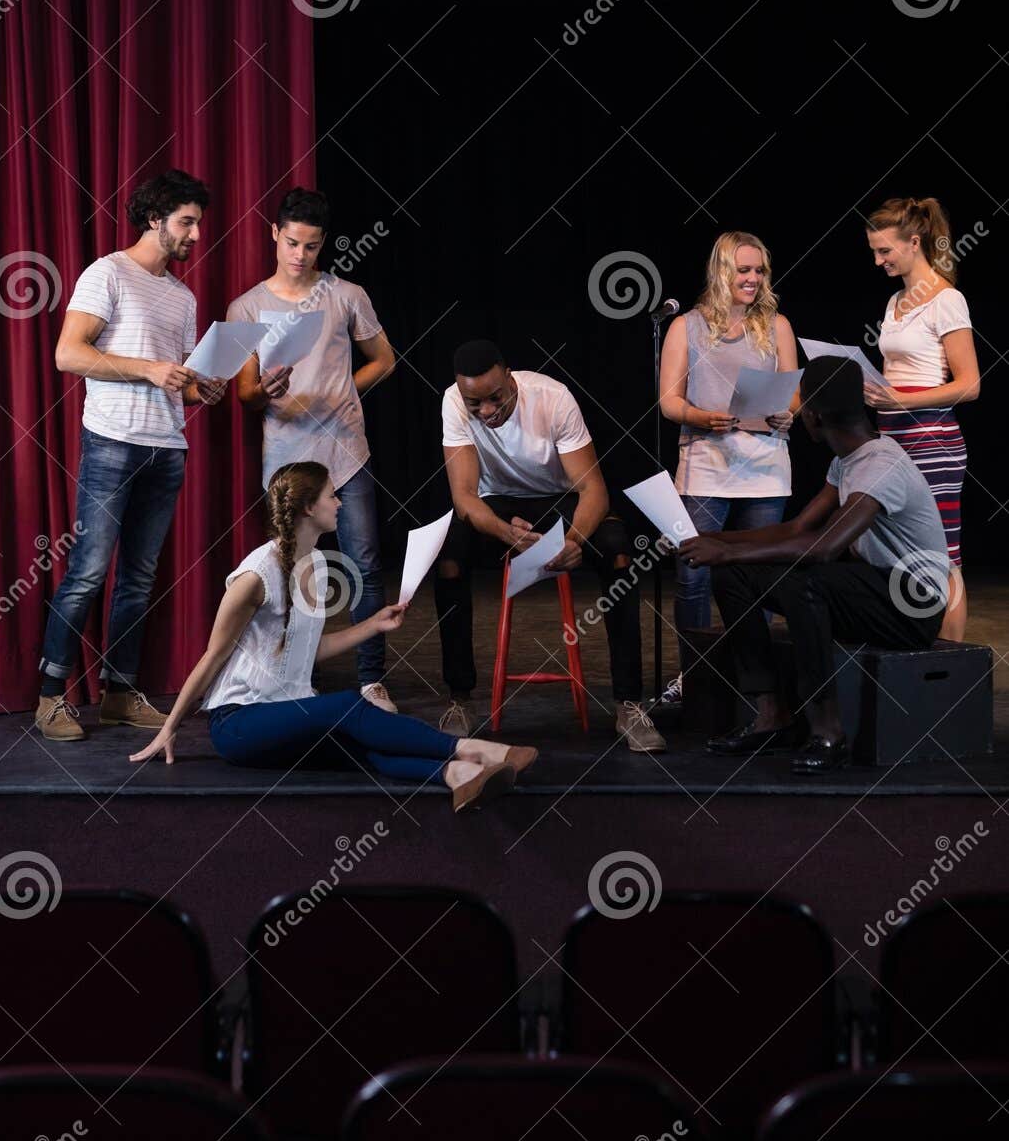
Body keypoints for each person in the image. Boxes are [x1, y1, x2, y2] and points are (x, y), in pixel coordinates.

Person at [128, 463, 537, 812]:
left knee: (361, 746)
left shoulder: (319, 567)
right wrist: (170, 727)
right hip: (238, 723)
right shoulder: (255, 576)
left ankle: (456, 775)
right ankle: (474, 749)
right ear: (310, 508)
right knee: (349, 704)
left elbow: (311, 651)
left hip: (288, 714)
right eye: (331, 495)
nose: (340, 502)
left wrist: (373, 625)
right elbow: (212, 658)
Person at [679, 357, 951, 773]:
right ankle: (771, 715)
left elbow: (824, 547)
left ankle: (828, 731)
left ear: (812, 416)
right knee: (732, 575)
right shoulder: (846, 460)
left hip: (913, 606)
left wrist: (727, 550)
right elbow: (796, 528)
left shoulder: (881, 464)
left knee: (806, 581)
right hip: (876, 587)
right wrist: (713, 541)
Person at [35, 172, 226, 743]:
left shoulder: (184, 296)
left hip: (168, 448)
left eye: (198, 224)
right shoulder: (108, 273)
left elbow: (179, 381)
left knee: (139, 579)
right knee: (89, 571)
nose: (196, 235)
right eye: (187, 222)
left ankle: (119, 693)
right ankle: (49, 696)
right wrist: (149, 369)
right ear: (155, 219)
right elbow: (68, 354)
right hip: (112, 444)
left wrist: (201, 389)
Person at [433, 340, 660, 752]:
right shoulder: (453, 402)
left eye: (495, 398)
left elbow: (593, 490)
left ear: (510, 378)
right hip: (497, 502)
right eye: (475, 403)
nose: (486, 411)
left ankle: (629, 704)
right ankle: (459, 698)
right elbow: (464, 496)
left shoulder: (552, 398)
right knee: (448, 559)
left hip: (559, 498)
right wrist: (506, 533)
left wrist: (573, 541)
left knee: (619, 555)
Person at [229, 189, 397, 710]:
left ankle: (371, 680)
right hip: (287, 460)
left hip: (346, 453)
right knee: (294, 572)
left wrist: (346, 389)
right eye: (292, 242)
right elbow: (245, 393)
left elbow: (385, 359)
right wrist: (266, 392)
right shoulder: (247, 306)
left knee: (364, 563)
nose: (300, 255)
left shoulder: (347, 295)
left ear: (324, 244)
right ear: (274, 234)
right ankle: (297, 678)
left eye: (312, 245)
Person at [657, 230, 798, 709]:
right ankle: (693, 677)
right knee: (694, 576)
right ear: (722, 272)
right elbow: (669, 400)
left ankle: (756, 683)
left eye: (759, 270)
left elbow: (793, 394)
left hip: (765, 465)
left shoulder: (776, 325)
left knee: (760, 577)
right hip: (707, 463)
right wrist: (701, 417)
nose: (753, 278)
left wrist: (789, 413)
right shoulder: (687, 326)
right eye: (744, 270)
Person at [863, 197, 980, 642]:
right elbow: (896, 374)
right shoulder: (894, 301)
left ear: (914, 242)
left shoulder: (947, 299)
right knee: (897, 550)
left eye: (885, 251)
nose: (879, 261)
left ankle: (952, 663)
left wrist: (901, 402)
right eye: (874, 252)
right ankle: (912, 653)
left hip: (932, 442)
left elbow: (970, 384)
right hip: (892, 440)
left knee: (943, 556)